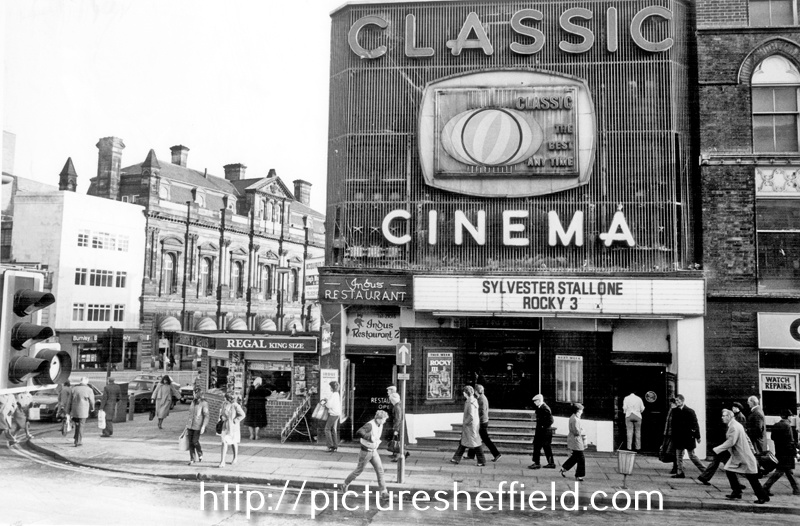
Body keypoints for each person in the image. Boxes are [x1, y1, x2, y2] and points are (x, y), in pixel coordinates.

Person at [714, 408, 770, 504]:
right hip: (740, 455)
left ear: (729, 416)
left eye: (724, 416)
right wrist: (752, 451)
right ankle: (737, 491)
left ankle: (762, 496)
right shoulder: (736, 425)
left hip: (742, 456)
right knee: (729, 470)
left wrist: (717, 449)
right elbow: (747, 439)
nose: (722, 417)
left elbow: (731, 442)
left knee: (752, 477)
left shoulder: (733, 427)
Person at [343, 409, 390, 500]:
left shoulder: (379, 424)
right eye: (384, 419)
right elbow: (359, 432)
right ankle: (345, 484)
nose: (385, 421)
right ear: (379, 419)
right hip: (366, 452)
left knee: (380, 470)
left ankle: (384, 492)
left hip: (374, 451)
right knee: (358, 471)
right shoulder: (370, 425)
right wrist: (369, 437)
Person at [762, 409, 799, 496]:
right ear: (789, 416)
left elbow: (773, 437)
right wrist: (795, 453)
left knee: (786, 471)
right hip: (787, 453)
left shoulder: (776, 425)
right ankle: (765, 487)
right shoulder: (788, 426)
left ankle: (796, 489)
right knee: (781, 471)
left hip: (779, 451)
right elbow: (790, 441)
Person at [670, 394, 705, 478]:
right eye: (676, 401)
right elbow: (673, 425)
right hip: (678, 437)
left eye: (678, 400)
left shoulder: (690, 411)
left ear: (682, 401)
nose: (677, 402)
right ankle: (680, 472)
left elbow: (695, 424)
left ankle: (705, 471)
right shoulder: (675, 411)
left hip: (688, 436)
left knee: (692, 455)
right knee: (679, 455)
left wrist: (698, 436)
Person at [449, 385, 485, 466]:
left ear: (465, 393)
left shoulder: (469, 402)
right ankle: (456, 458)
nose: (463, 394)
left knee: (474, 443)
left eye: (464, 393)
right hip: (473, 426)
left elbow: (471, 416)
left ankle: (481, 461)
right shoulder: (473, 400)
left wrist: (465, 422)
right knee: (465, 442)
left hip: (470, 426)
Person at [471, 384, 501, 462]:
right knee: (475, 437)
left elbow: (481, 412)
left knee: (484, 439)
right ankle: (471, 455)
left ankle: (496, 454)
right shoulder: (482, 397)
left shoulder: (481, 399)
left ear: (476, 391)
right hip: (484, 421)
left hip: (481, 422)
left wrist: (476, 419)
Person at [217, 391, 245, 468]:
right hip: (225, 426)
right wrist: (221, 417)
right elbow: (221, 413)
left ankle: (235, 457)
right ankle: (222, 461)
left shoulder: (236, 405)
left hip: (233, 428)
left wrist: (235, 420)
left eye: (225, 397)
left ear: (229, 398)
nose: (224, 399)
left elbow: (242, 415)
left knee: (234, 443)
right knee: (224, 442)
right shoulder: (224, 404)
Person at [67, 377, 96, 447]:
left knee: (77, 425)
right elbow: (92, 401)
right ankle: (78, 441)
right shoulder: (89, 390)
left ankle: (76, 437)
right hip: (83, 411)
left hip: (74, 411)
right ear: (86, 382)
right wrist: (93, 408)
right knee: (81, 425)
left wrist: (68, 410)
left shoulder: (73, 389)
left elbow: (69, 401)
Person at [560, 403, 586, 481]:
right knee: (581, 458)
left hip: (574, 440)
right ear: (578, 411)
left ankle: (564, 468)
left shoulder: (573, 417)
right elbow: (576, 432)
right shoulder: (575, 419)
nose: (582, 412)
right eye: (581, 410)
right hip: (576, 441)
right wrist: (583, 431)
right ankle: (579, 475)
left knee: (575, 457)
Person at [529, 393, 555, 469]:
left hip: (544, 432)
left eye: (535, 401)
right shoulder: (540, 407)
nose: (534, 402)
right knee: (541, 447)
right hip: (542, 432)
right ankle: (548, 463)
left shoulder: (545, 408)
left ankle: (538, 463)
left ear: (539, 400)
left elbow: (550, 420)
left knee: (542, 447)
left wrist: (543, 426)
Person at [185, 387, 209, 466]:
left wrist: (203, 426)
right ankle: (192, 459)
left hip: (198, 425)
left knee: (195, 441)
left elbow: (206, 416)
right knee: (190, 443)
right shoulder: (193, 402)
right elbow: (190, 414)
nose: (193, 394)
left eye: (194, 393)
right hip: (190, 425)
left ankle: (200, 452)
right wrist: (187, 426)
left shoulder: (203, 403)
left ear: (198, 394)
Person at [388, 391, 410, 462]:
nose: (391, 401)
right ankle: (404, 453)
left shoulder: (396, 407)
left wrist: (396, 429)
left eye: (391, 400)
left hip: (399, 426)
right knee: (401, 441)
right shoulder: (399, 405)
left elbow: (398, 418)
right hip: (402, 425)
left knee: (398, 441)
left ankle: (399, 456)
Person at [660, 397, 678, 474]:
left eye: (672, 403)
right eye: (671, 403)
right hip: (668, 434)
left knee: (674, 451)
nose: (671, 404)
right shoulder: (671, 410)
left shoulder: (676, 411)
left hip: (673, 434)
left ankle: (676, 467)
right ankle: (676, 467)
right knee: (670, 451)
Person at [323, 381, 342, 452]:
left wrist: (326, 401)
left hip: (333, 414)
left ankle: (330, 446)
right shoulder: (337, 394)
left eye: (330, 387)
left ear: (332, 388)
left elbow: (329, 405)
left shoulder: (334, 395)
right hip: (337, 414)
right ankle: (335, 446)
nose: (329, 388)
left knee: (327, 429)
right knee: (333, 430)